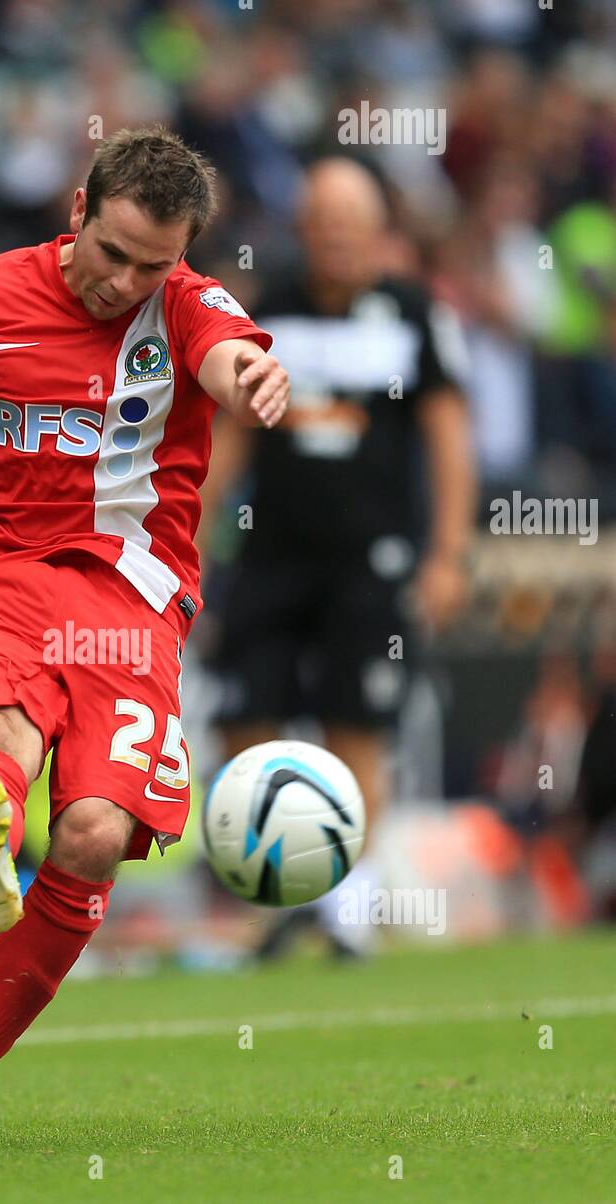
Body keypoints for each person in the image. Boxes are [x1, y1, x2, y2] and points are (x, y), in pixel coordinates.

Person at [0, 127, 289, 1149]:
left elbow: (226, 356)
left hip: (129, 602)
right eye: (111, 252)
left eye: (152, 263)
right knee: (0, 744)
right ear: (77, 209)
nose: (125, 280)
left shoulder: (189, 306)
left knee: (85, 836)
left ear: (181, 255)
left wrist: (251, 378)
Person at [203, 158, 475, 956]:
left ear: (377, 233)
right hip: (273, 552)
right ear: (302, 231)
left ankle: (345, 903)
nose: (335, 241)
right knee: (243, 713)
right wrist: (187, 538)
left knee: (355, 725)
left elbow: (448, 435)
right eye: (322, 225)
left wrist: (449, 554)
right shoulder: (268, 311)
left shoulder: (414, 314)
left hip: (373, 556)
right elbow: (230, 433)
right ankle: (276, 883)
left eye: (349, 226)